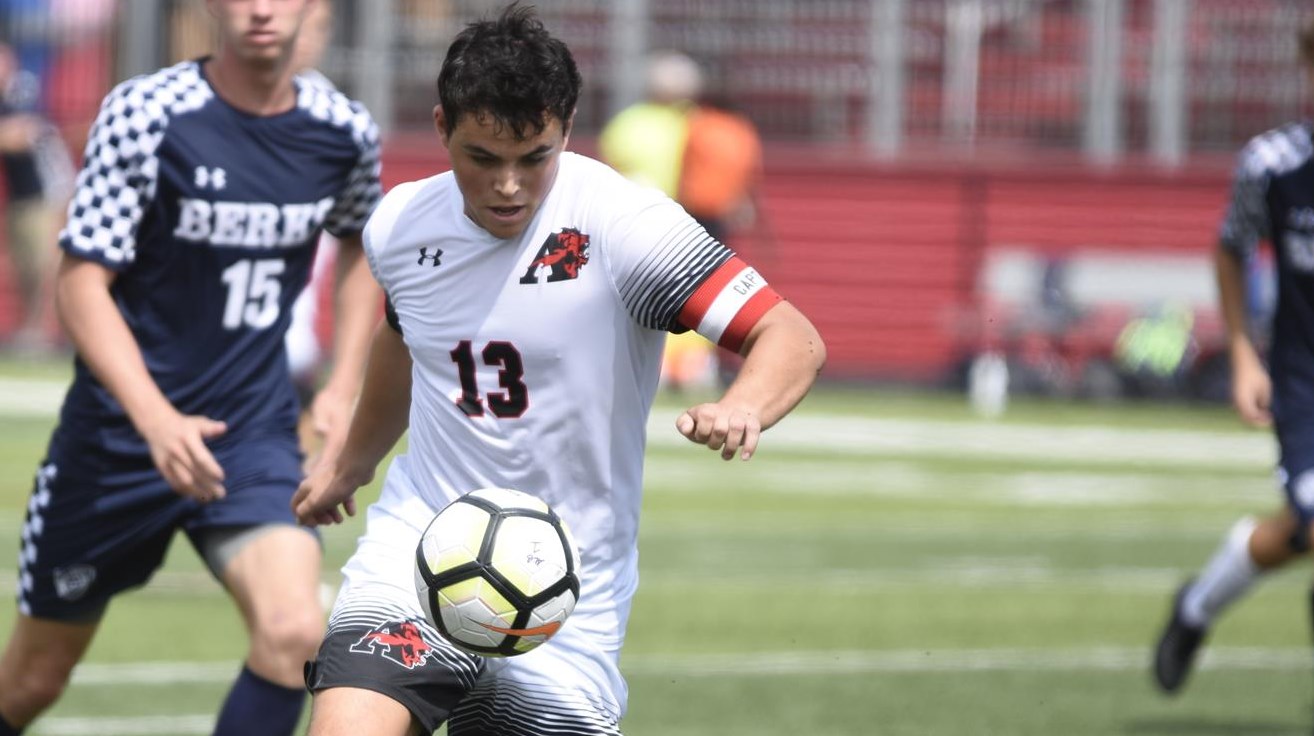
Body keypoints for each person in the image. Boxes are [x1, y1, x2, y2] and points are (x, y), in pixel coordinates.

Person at [291, 5, 826, 734]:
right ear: (443, 127)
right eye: (483, 158)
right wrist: (351, 462)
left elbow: (789, 336)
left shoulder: (625, 228)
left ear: (566, 130)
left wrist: (746, 405)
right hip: (419, 553)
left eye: (534, 157)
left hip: (565, 595)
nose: (509, 185)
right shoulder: (401, 225)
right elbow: (405, 336)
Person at [0, 2, 382, 735]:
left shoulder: (344, 131)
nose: (262, 8)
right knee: (32, 680)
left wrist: (340, 386)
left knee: (295, 631)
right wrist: (155, 419)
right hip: (117, 442)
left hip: (253, 434)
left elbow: (363, 242)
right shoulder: (149, 112)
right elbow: (80, 284)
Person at [1152, 19, 1314, 696]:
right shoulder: (1273, 163)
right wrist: (1245, 355)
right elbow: (1231, 249)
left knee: (1301, 533)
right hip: (1306, 387)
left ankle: (1198, 603)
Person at [0, 41, 74, 352]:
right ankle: (31, 330)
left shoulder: (21, 90)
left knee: (44, 266)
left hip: (44, 192)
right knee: (25, 267)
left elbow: (21, 134)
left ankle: (45, 333)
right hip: (20, 194)